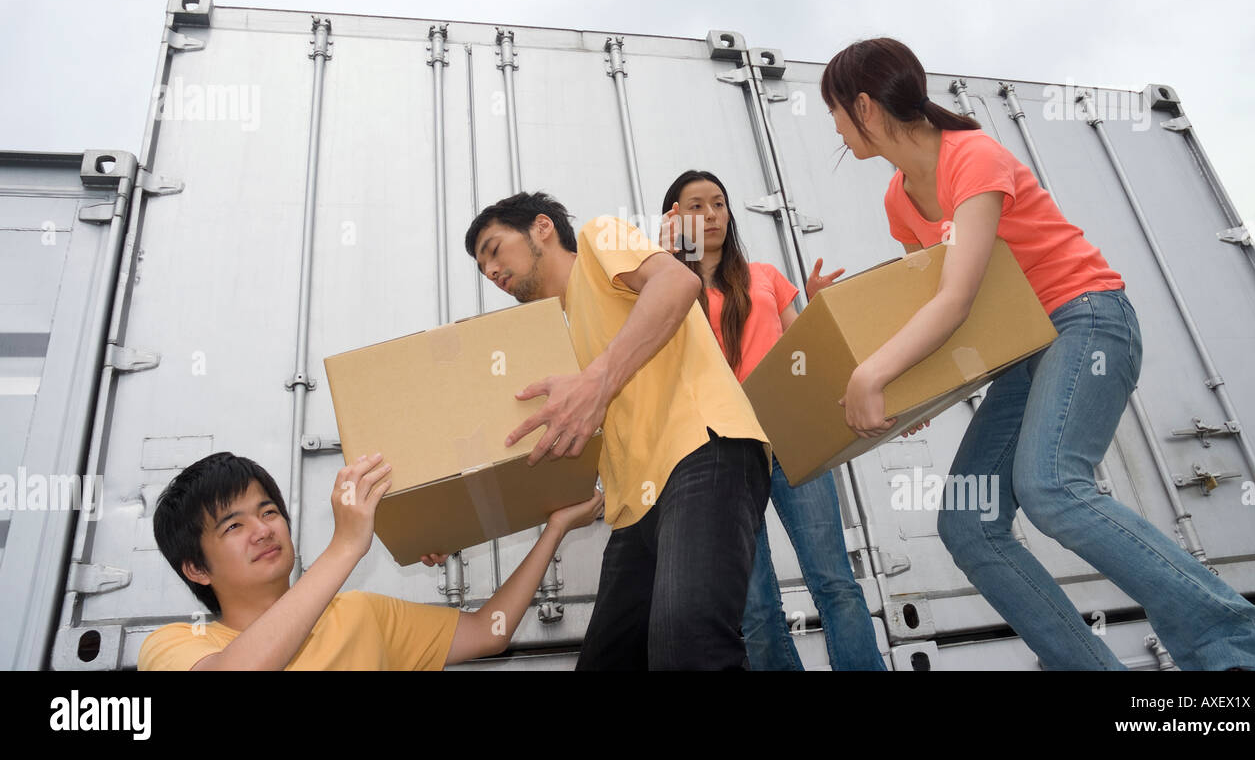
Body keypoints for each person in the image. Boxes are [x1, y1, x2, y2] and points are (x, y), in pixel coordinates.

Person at [821, 36, 1255, 670]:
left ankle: (1245, 653)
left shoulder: (972, 157)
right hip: (1025, 350)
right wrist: (902, 378)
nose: (833, 126)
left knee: (1049, 487)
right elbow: (931, 302)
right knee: (969, 525)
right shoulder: (897, 200)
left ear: (864, 106)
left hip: (1088, 318)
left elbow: (957, 298)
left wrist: (875, 370)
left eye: (833, 109)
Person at [465, 191, 772, 669]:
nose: (490, 271)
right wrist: (447, 524)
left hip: (701, 450)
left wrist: (598, 380)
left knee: (689, 648)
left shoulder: (597, 239)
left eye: (493, 249)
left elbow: (675, 284)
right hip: (634, 507)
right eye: (481, 267)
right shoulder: (557, 334)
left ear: (542, 227)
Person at [657, 169, 887, 671]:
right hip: (721, 457)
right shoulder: (666, 291)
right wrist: (666, 257)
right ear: (674, 219)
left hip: (788, 441)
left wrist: (816, 307)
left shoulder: (765, 276)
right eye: (695, 206)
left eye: (718, 203)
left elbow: (802, 356)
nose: (711, 214)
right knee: (757, 608)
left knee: (835, 583)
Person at [139, 450, 602, 670]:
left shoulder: (361, 614)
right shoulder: (176, 645)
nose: (263, 529)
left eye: (269, 512)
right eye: (234, 526)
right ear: (196, 568)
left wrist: (553, 528)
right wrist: (345, 546)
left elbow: (488, 633)